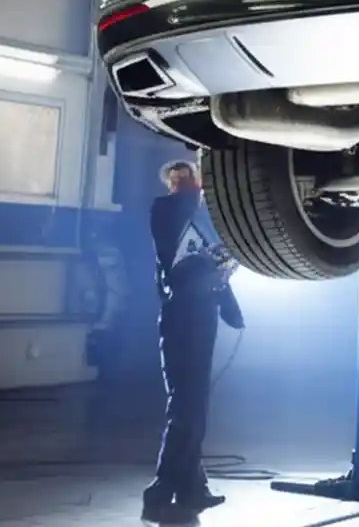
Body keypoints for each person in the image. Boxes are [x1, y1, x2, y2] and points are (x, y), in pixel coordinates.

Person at [142, 159, 244, 524]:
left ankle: (190, 488)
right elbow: (188, 265)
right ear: (172, 183)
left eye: (188, 175)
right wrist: (195, 193)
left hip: (200, 319)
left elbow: (212, 267)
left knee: (194, 407)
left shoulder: (198, 221)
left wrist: (232, 310)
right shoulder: (167, 212)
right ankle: (160, 490)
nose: (183, 180)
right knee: (186, 407)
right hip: (180, 319)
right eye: (177, 176)